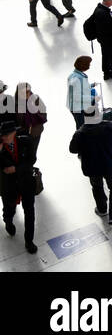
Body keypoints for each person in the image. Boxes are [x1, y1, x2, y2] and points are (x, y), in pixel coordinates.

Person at [68, 104, 112, 227]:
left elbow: (72, 149)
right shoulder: (110, 126)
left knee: (97, 186)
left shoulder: (80, 133)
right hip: (110, 164)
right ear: (98, 114)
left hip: (92, 167)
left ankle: (102, 209)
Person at [0, 119, 38, 252]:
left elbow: (31, 160)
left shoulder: (26, 142)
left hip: (26, 182)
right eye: (2, 135)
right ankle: (8, 222)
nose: (3, 137)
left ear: (14, 133)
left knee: (30, 212)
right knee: (9, 208)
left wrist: (16, 169)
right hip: (8, 186)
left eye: (6, 135)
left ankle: (29, 241)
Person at [85, 0, 112, 83]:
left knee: (106, 56)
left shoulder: (98, 9)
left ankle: (107, 73)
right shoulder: (104, 13)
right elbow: (108, 28)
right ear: (107, 1)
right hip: (111, 39)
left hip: (103, 39)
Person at [11, 82, 46, 150]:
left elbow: (43, 112)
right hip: (20, 133)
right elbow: (14, 120)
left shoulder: (36, 99)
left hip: (35, 132)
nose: (27, 94)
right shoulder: (14, 103)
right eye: (23, 92)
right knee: (22, 153)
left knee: (32, 154)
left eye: (28, 91)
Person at [66, 56, 94, 129]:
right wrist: (92, 98)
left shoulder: (74, 75)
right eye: (88, 64)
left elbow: (80, 88)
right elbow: (77, 97)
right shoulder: (78, 78)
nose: (89, 65)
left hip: (75, 106)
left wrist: (91, 85)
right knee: (82, 127)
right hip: (78, 108)